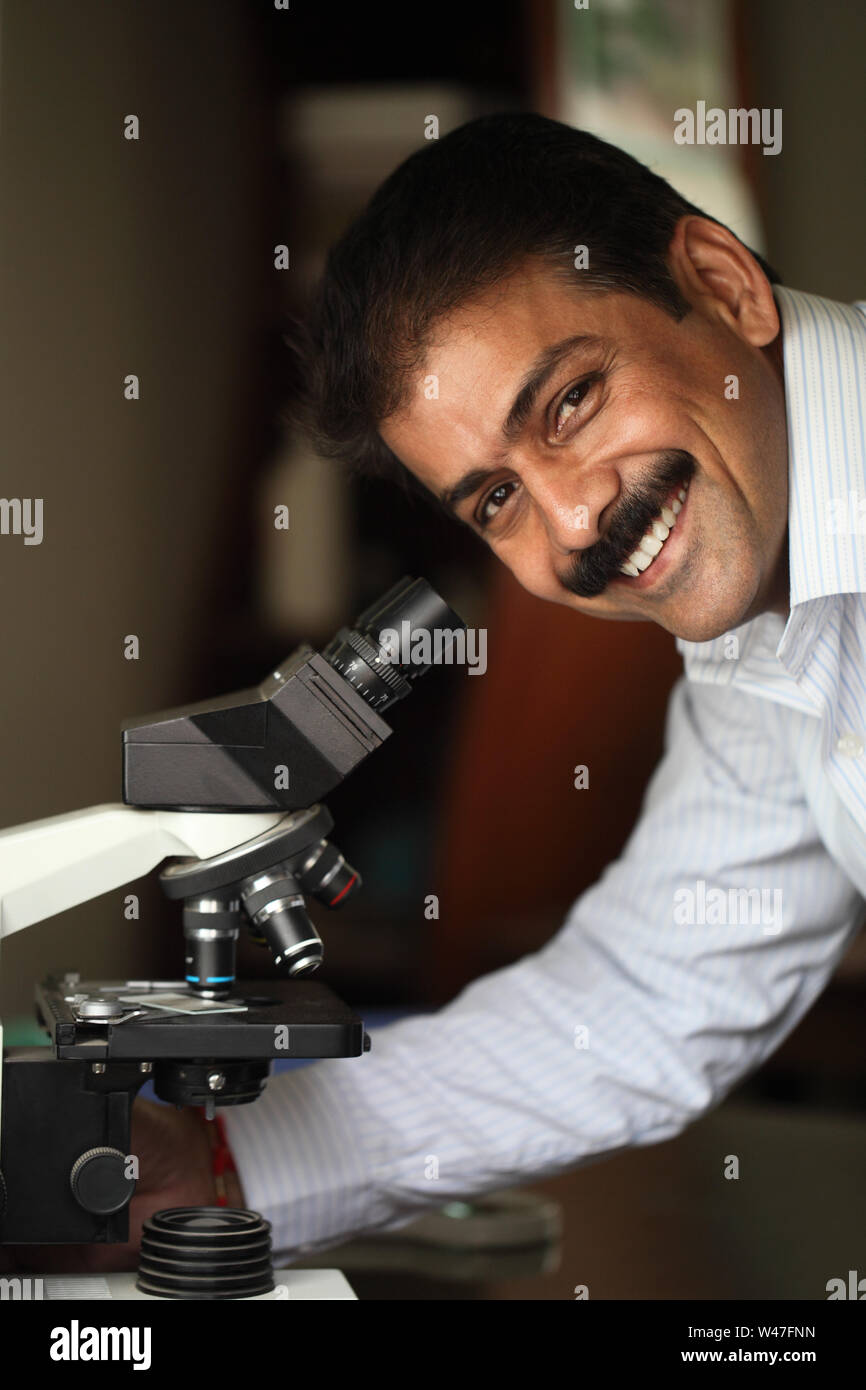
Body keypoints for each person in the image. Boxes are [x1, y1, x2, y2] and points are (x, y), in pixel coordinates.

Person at [20, 111, 866, 1271]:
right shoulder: (766, 602)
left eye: (569, 401)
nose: (576, 522)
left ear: (724, 288)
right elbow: (650, 990)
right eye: (496, 502)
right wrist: (217, 1166)